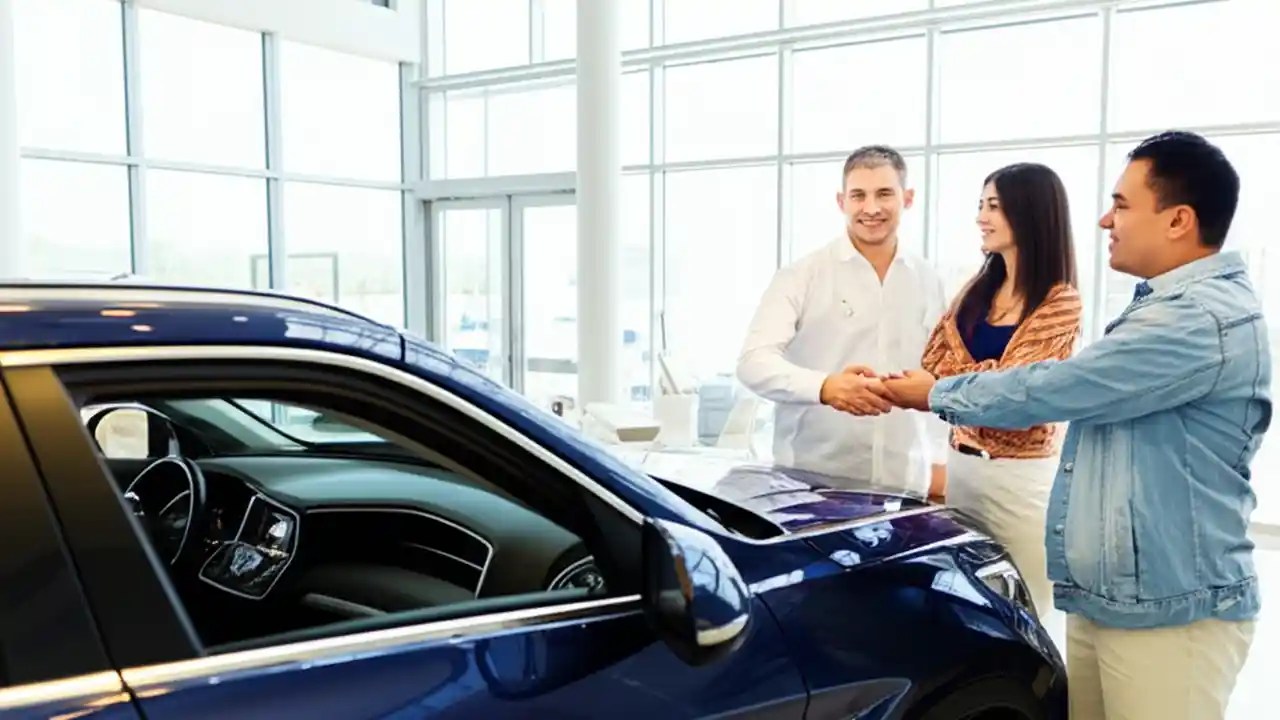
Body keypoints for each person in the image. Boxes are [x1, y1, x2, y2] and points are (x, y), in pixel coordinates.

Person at [881, 131, 1267, 719]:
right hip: (1110, 598)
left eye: (1123, 204)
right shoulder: (1158, 306)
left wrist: (935, 392)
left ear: (1178, 220)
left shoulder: (1200, 320)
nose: (1105, 220)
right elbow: (958, 357)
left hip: (1170, 608)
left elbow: (1051, 385)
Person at [920, 162, 1081, 638]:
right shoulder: (978, 287)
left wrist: (963, 387)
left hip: (1020, 481)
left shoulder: (1059, 300)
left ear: (1028, 213)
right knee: (972, 611)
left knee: (1026, 612)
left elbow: (1019, 392)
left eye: (993, 206)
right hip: (963, 469)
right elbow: (933, 360)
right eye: (981, 206)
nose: (981, 218)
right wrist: (982, 387)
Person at [736, 145, 949, 497]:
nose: (871, 208)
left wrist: (939, 461)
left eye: (884, 194)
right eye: (858, 195)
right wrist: (826, 387)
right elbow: (753, 363)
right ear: (841, 202)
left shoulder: (928, 279)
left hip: (905, 484)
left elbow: (935, 372)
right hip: (812, 483)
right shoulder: (802, 275)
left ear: (907, 198)